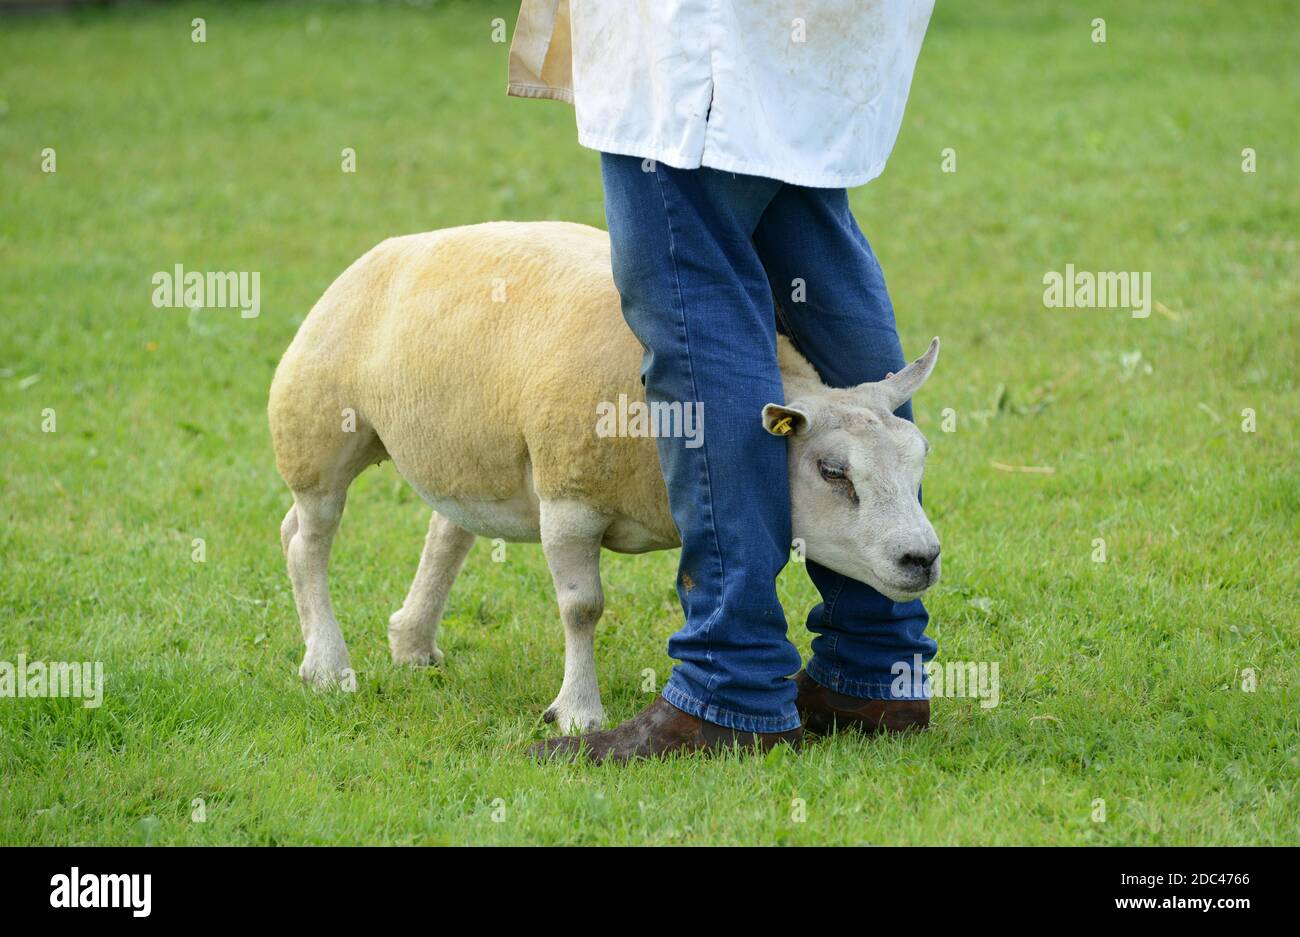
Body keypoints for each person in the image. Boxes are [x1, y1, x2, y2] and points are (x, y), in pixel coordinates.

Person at [509, 0, 938, 763]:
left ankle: (729, 686)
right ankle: (875, 667)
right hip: (805, 39)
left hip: (705, 38)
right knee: (812, 251)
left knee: (690, 284)